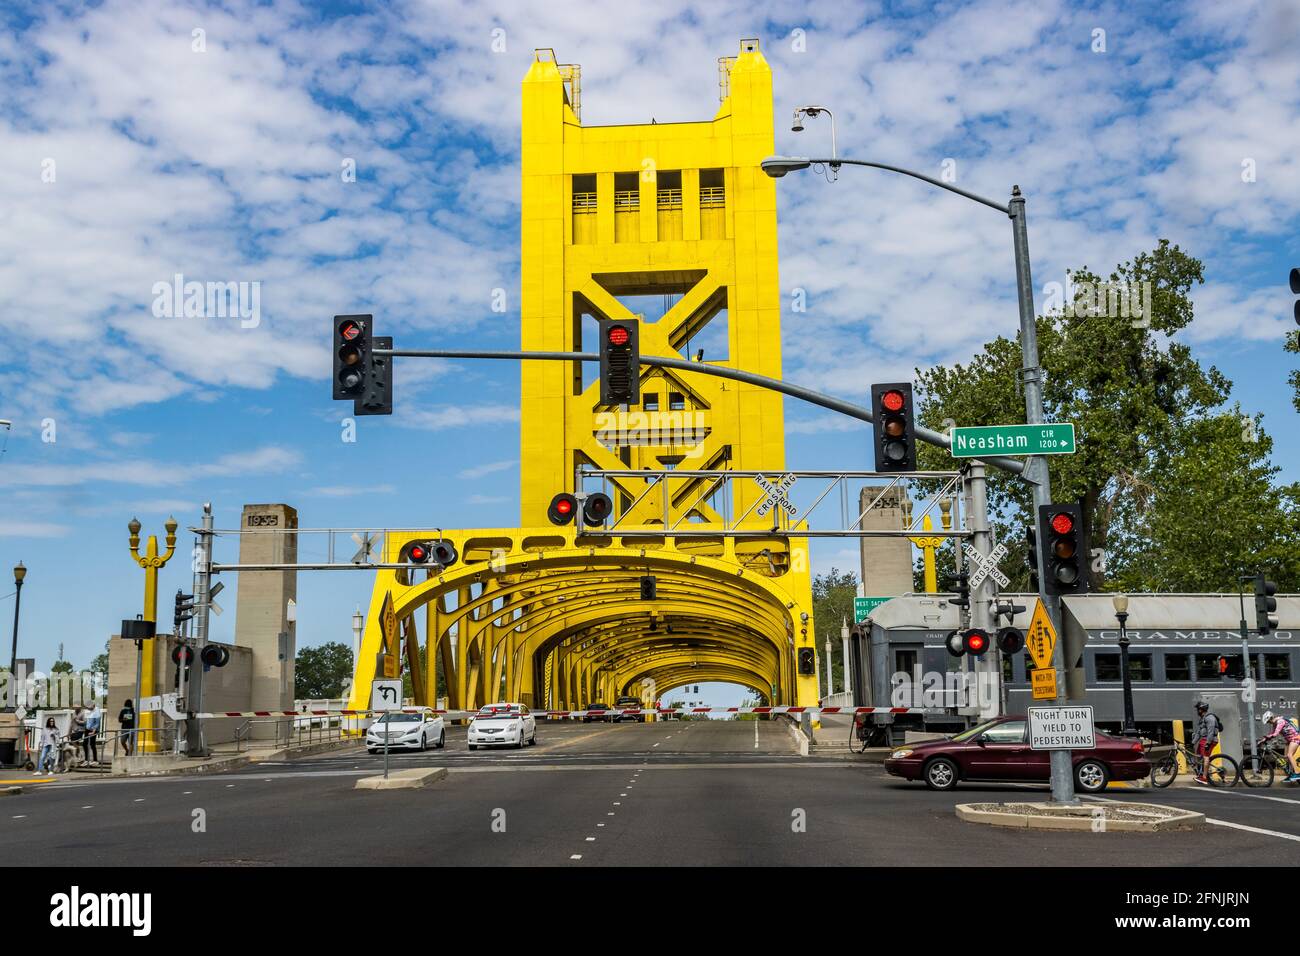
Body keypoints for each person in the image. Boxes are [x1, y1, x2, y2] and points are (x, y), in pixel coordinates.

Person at [1260, 710, 1300, 782]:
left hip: (1296, 738)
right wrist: (1263, 740)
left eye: (1269, 721)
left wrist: (1267, 738)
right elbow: (1272, 733)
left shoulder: (1280, 721)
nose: (1269, 723)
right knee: (1286, 758)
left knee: (1289, 755)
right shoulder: (1275, 724)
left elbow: (1275, 734)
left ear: (1271, 718)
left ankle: (1297, 773)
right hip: (1289, 740)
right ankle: (1291, 774)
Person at [1191, 699, 1222, 784]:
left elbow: (1211, 732)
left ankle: (1204, 778)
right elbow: (1198, 732)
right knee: (1198, 756)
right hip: (1203, 739)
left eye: (1198, 709)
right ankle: (1201, 774)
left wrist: (1208, 743)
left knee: (1205, 757)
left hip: (1209, 740)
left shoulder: (1210, 718)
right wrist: (1193, 742)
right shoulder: (1203, 719)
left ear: (1201, 709)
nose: (1197, 711)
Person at [84, 700, 101, 765]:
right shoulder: (88, 711)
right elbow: (87, 720)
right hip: (87, 729)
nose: (88, 708)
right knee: (84, 744)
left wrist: (93, 732)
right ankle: (86, 759)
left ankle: (95, 760)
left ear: (93, 705)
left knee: (92, 744)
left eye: (89, 707)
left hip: (94, 730)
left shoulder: (97, 711)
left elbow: (97, 723)